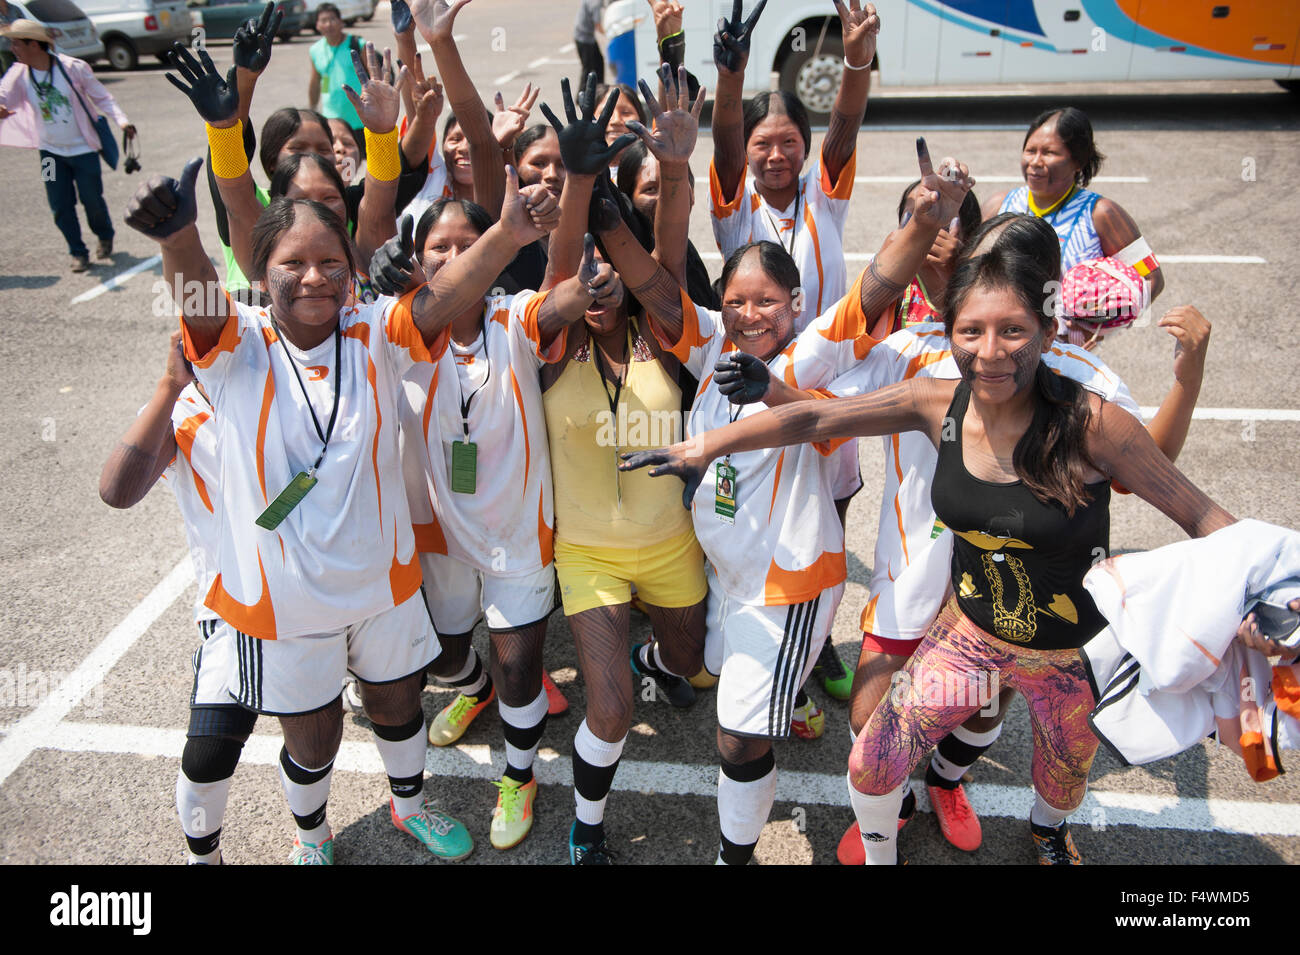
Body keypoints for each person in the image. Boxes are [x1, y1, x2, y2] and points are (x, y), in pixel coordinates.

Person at [623, 212, 1236, 866]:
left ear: (1048, 322)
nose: (989, 351)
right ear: (952, 321)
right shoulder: (931, 388)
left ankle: (1018, 815)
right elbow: (816, 412)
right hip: (963, 624)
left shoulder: (1092, 413)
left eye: (1013, 329)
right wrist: (710, 441)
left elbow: (1187, 500)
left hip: (1059, 645)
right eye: (972, 329)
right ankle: (895, 829)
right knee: (873, 753)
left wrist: (1259, 599)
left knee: (1062, 773)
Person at [124, 155, 559, 864]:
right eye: (294, 263)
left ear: (351, 271)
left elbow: (442, 299)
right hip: (286, 602)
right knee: (314, 730)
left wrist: (507, 236)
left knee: (397, 705)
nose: (315, 276)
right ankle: (313, 836)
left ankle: (410, 806)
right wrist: (179, 237)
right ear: (262, 273)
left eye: (331, 260)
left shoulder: (376, 331)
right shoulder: (238, 344)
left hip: (381, 586)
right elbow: (199, 300)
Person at [607, 118, 972, 861]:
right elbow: (652, 284)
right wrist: (600, 203)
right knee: (704, 673)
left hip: (789, 585)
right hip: (727, 577)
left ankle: (733, 853)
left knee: (738, 736)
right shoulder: (710, 342)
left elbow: (877, 285)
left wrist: (926, 218)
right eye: (738, 300)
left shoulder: (815, 354)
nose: (749, 314)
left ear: (797, 304)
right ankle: (734, 683)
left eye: (767, 301)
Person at [367, 202, 618, 849]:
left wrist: (587, 280)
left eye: (467, 244)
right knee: (449, 658)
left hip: (516, 533)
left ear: (495, 253)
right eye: (438, 249)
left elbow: (560, 301)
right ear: (418, 261)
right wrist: (374, 262)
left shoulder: (515, 317)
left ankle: (520, 773)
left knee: (519, 668)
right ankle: (470, 688)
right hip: (439, 535)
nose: (453, 259)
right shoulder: (399, 331)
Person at [537, 77, 706, 864]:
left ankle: (655, 653)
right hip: (589, 552)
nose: (599, 282)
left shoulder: (670, 338)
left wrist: (672, 172)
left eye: (614, 269)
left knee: (684, 662)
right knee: (610, 709)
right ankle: (588, 825)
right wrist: (578, 182)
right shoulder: (553, 349)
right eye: (587, 274)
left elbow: (664, 256)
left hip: (673, 544)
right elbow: (558, 275)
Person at [100, 331, 257, 865]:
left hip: (325, 596)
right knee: (208, 753)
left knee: (318, 737)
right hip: (234, 605)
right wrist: (170, 383)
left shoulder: (300, 387)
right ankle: (203, 858)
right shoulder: (183, 405)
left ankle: (314, 834)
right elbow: (117, 492)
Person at [983, 106, 1165, 346]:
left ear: (1078, 161)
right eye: (1030, 150)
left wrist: (1100, 326)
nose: (1035, 162)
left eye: (1049, 153)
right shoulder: (1000, 206)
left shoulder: (1102, 214)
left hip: (1066, 356)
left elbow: (1152, 279)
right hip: (1002, 350)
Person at [0, 19, 136, 272]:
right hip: (50, 154)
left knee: (92, 200)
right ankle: (78, 251)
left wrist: (122, 121)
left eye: (17, 44)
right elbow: (3, 94)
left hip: (83, 150)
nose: (13, 49)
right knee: (60, 205)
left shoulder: (73, 68)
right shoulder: (18, 73)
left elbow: (102, 97)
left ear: (35, 44)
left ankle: (104, 234)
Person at [308, 3, 364, 134]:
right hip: (332, 120)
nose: (328, 24)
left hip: (360, 118)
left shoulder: (357, 44)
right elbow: (315, 81)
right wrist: (312, 108)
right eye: (324, 20)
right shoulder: (315, 50)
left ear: (341, 22)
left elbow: (373, 77)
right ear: (317, 25)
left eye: (332, 19)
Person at [573, 0, 605, 85]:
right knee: (588, 69)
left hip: (587, 37)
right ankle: (581, 97)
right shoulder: (595, 3)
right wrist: (610, 33)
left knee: (599, 63)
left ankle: (599, 90)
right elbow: (598, 25)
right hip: (584, 38)